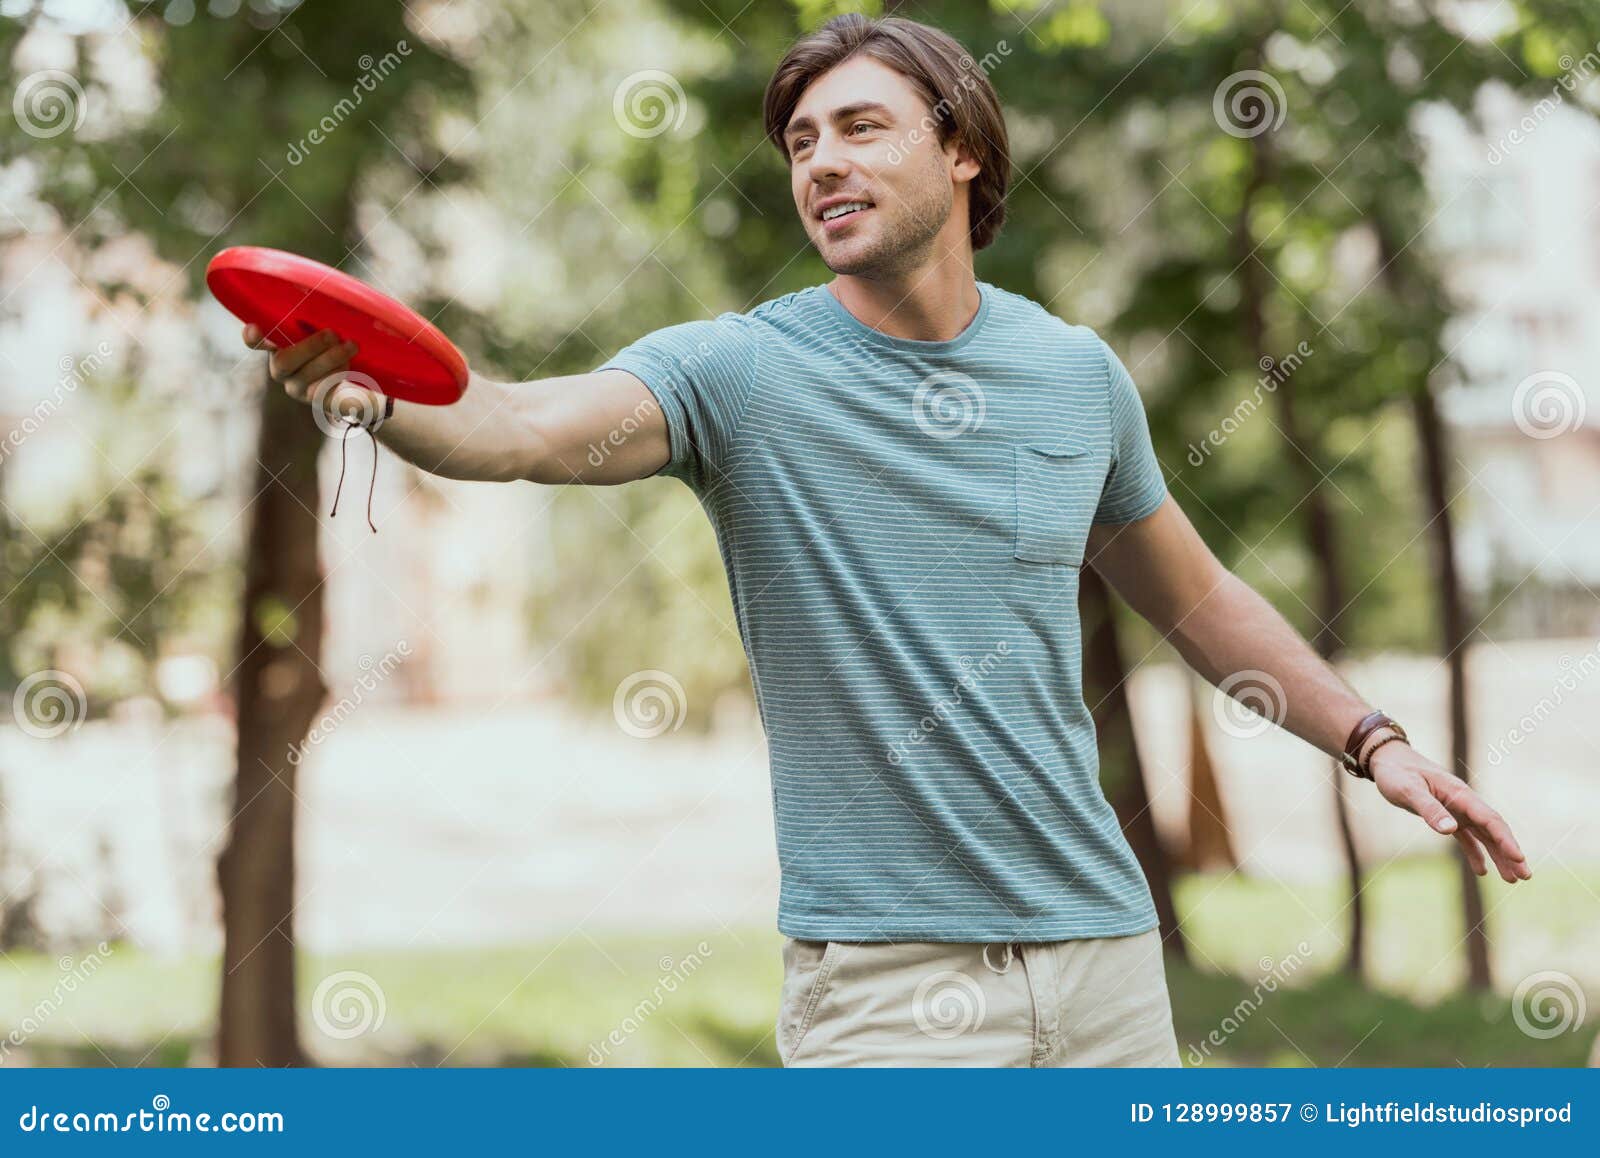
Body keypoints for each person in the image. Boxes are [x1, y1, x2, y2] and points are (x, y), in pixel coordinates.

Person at [243, 13, 1531, 1067]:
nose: (821, 164)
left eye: (861, 128)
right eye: (802, 142)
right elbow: (516, 426)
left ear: (962, 149)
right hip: (888, 992)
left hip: (1106, 965)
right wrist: (378, 391)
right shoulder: (738, 374)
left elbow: (1198, 603)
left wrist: (1375, 743)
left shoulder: (1074, 377)